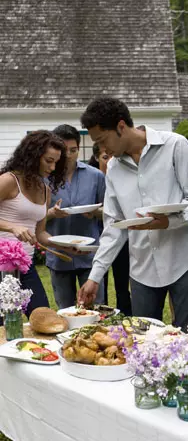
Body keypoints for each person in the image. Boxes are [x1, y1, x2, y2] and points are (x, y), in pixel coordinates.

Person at [78, 96, 188, 330]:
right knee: (144, 340)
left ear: (121, 126)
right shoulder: (114, 170)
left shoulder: (175, 146)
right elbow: (113, 228)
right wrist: (94, 277)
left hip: (185, 260)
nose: (102, 149)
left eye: (102, 140)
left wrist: (168, 222)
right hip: (142, 268)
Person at [0, 130, 68, 315]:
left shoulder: (45, 190)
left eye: (56, 162)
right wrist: (11, 226)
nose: (53, 168)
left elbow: (40, 233)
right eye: (48, 160)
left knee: (43, 315)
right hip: (1, 268)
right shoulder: (8, 180)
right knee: (4, 327)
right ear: (33, 156)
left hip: (26, 266)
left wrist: (63, 245)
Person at [46, 125, 106, 309]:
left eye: (74, 150)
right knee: (65, 311)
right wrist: (51, 213)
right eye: (65, 151)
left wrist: (95, 212)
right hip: (59, 257)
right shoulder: (45, 177)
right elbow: (35, 218)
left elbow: (110, 213)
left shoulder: (95, 176)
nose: (70, 155)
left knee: (96, 309)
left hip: (90, 254)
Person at [91, 143, 132, 314]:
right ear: (96, 158)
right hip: (97, 238)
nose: (109, 161)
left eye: (111, 157)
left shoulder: (122, 175)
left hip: (122, 235)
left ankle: (125, 315)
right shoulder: (94, 178)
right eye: (104, 157)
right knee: (101, 283)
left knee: (122, 283)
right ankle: (103, 315)